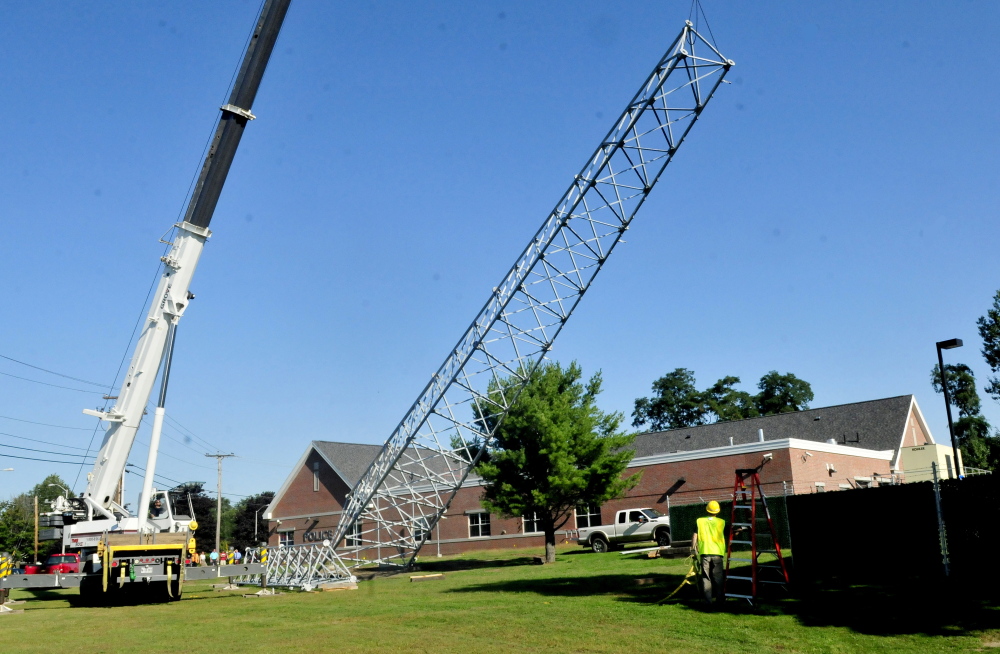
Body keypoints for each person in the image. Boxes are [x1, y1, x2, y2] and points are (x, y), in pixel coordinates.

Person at [691, 500, 727, 605]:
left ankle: (708, 601)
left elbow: (694, 536)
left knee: (706, 577)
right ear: (718, 511)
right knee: (718, 577)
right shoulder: (722, 522)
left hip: (705, 553)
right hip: (717, 554)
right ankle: (720, 600)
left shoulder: (699, 521)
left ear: (707, 509)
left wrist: (693, 550)